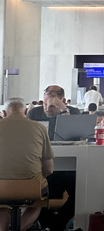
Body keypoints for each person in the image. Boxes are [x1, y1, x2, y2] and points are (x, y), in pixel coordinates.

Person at [0, 98, 54, 231]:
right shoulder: (40, 128)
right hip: (32, 187)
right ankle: (18, 228)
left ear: (4, 113)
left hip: (0, 187)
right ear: (25, 111)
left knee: (2, 203)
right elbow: (49, 169)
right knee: (37, 203)